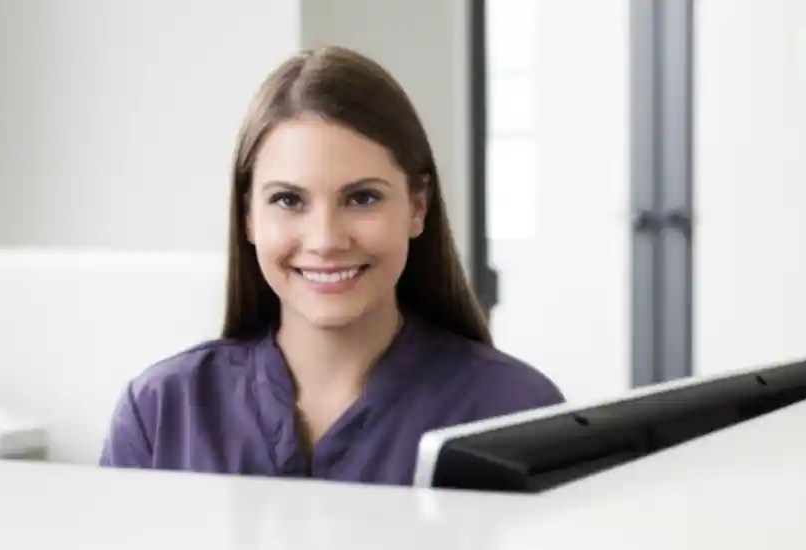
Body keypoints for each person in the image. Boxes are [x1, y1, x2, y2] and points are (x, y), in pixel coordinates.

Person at [100, 46, 564, 484]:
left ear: (417, 207)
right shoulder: (161, 413)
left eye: (362, 198)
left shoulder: (518, 414)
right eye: (288, 200)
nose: (325, 241)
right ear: (247, 216)